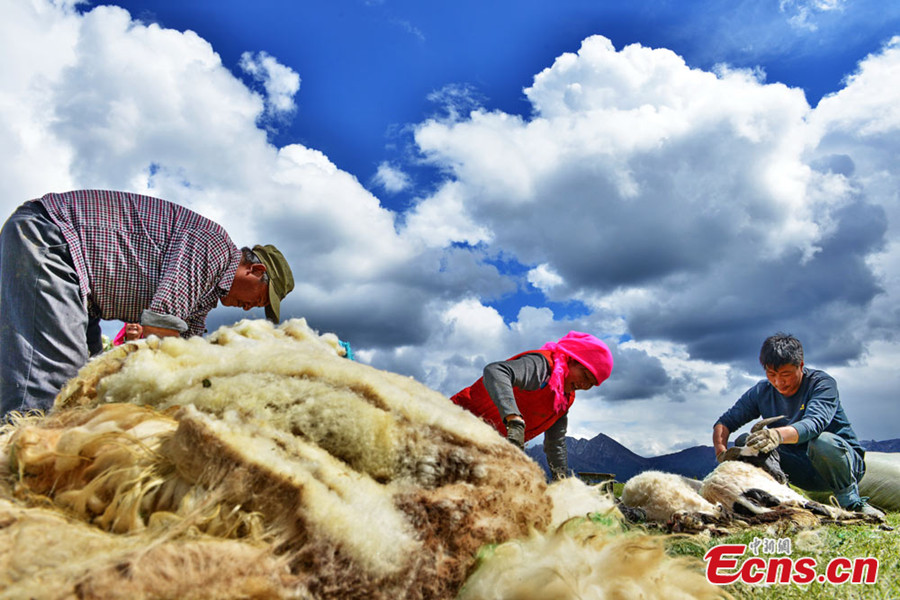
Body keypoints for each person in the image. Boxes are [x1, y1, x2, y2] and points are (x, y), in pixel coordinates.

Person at [0, 189, 295, 417]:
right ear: (256, 272)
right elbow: (161, 329)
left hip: (82, 289)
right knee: (53, 386)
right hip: (53, 238)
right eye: (259, 299)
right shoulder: (215, 246)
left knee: (87, 389)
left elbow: (188, 351)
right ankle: (18, 474)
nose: (250, 308)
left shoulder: (204, 296)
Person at [713, 333, 884, 518]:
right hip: (799, 468)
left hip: (841, 464)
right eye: (771, 374)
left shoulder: (822, 384)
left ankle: (852, 504)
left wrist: (777, 435)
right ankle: (782, 502)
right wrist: (721, 452)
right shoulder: (761, 392)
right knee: (746, 441)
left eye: (785, 374)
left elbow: (813, 424)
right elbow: (725, 422)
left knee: (822, 442)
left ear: (800, 366)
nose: (779, 382)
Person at [451, 331, 614, 480]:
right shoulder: (542, 366)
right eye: (585, 375)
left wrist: (561, 479)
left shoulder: (564, 398)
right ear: (571, 359)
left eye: (592, 384)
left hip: (484, 447)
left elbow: (555, 442)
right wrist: (513, 418)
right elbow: (496, 371)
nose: (584, 385)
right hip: (455, 422)